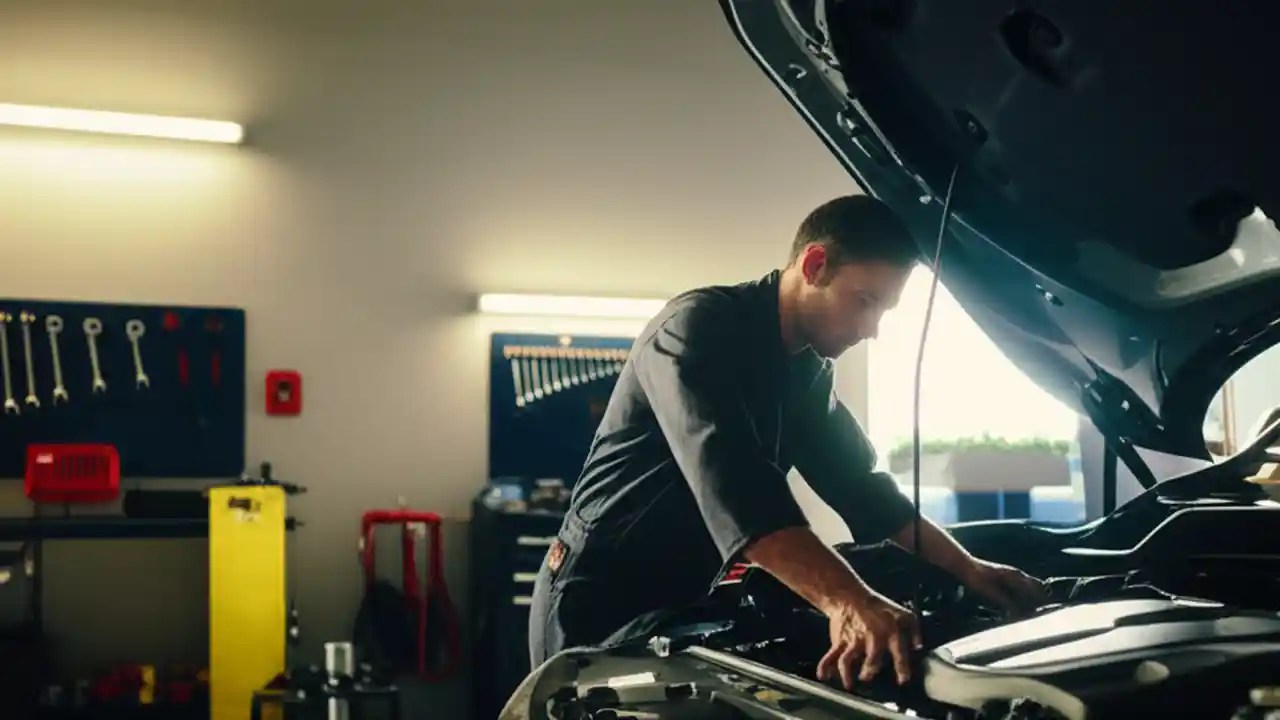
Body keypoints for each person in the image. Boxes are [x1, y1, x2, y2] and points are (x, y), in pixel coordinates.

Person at [527, 194, 1048, 689]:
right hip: (597, 597)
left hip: (681, 597)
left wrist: (969, 569)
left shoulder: (806, 373)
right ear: (815, 265)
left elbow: (864, 491)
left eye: (883, 311)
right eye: (864, 302)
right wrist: (848, 602)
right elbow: (736, 488)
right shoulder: (696, 329)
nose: (871, 330)